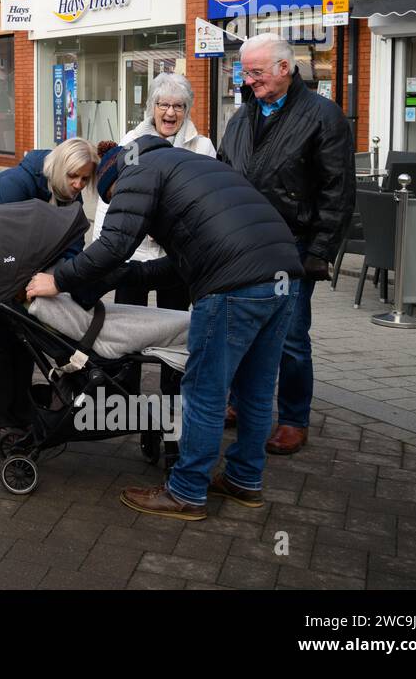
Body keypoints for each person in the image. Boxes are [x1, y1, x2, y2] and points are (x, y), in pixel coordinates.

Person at [31, 137, 303, 520]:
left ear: (109, 175)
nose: (112, 200)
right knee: (254, 391)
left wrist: (57, 280)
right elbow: (179, 263)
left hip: (234, 286)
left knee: (205, 392)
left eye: (107, 195)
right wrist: (129, 275)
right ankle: (244, 479)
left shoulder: (132, 173)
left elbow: (114, 244)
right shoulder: (182, 164)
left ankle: (187, 491)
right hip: (283, 277)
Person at [218, 33, 354, 455]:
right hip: (244, 245)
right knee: (240, 329)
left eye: (256, 72)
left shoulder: (322, 115)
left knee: (291, 337)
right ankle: (241, 403)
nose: (249, 79)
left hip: (294, 246)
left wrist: (320, 252)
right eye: (245, 72)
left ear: (284, 68)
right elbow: (225, 170)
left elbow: (338, 190)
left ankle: (294, 418)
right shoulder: (243, 115)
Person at [0, 137, 98, 443]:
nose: (78, 185)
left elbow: (72, 244)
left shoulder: (69, 197)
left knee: (22, 341)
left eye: (84, 179)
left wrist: (62, 276)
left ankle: (17, 412)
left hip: (18, 274)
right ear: (59, 168)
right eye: (73, 176)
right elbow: (3, 241)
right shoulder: (15, 183)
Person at [93, 73, 215, 311]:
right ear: (152, 108)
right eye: (164, 105)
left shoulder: (202, 147)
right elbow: (110, 201)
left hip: (176, 255)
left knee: (172, 319)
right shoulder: (131, 142)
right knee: (127, 318)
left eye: (178, 106)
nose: (170, 113)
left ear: (187, 110)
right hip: (134, 251)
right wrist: (104, 250)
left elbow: (205, 204)